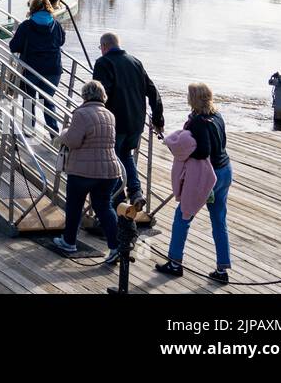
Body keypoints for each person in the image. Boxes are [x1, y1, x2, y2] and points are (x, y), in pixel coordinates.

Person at [156, 82, 233, 283]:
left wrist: (179, 146)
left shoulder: (197, 122)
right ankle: (222, 269)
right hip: (225, 171)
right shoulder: (217, 116)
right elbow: (222, 143)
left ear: (194, 99)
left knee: (183, 215)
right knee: (219, 219)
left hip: (207, 176)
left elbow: (202, 151)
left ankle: (174, 263)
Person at [52, 80, 122, 264]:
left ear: (85, 95)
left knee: (75, 206)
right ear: (102, 95)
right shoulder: (110, 115)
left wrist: (63, 134)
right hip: (109, 171)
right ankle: (116, 246)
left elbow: (74, 141)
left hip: (83, 171)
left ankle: (69, 242)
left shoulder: (81, 114)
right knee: (104, 207)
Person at [92, 32, 165, 207]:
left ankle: (118, 199)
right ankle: (136, 192)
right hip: (136, 122)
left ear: (104, 46)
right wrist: (158, 118)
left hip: (115, 122)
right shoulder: (135, 62)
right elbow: (152, 91)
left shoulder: (103, 63)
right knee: (126, 155)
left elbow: (101, 95)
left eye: (100, 48)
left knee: (112, 158)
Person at [8, 0, 66, 135]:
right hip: (53, 70)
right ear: (48, 8)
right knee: (48, 101)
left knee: (29, 100)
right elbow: (61, 41)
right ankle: (54, 134)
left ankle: (28, 130)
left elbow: (14, 46)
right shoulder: (56, 25)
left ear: (32, 9)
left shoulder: (26, 26)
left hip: (31, 69)